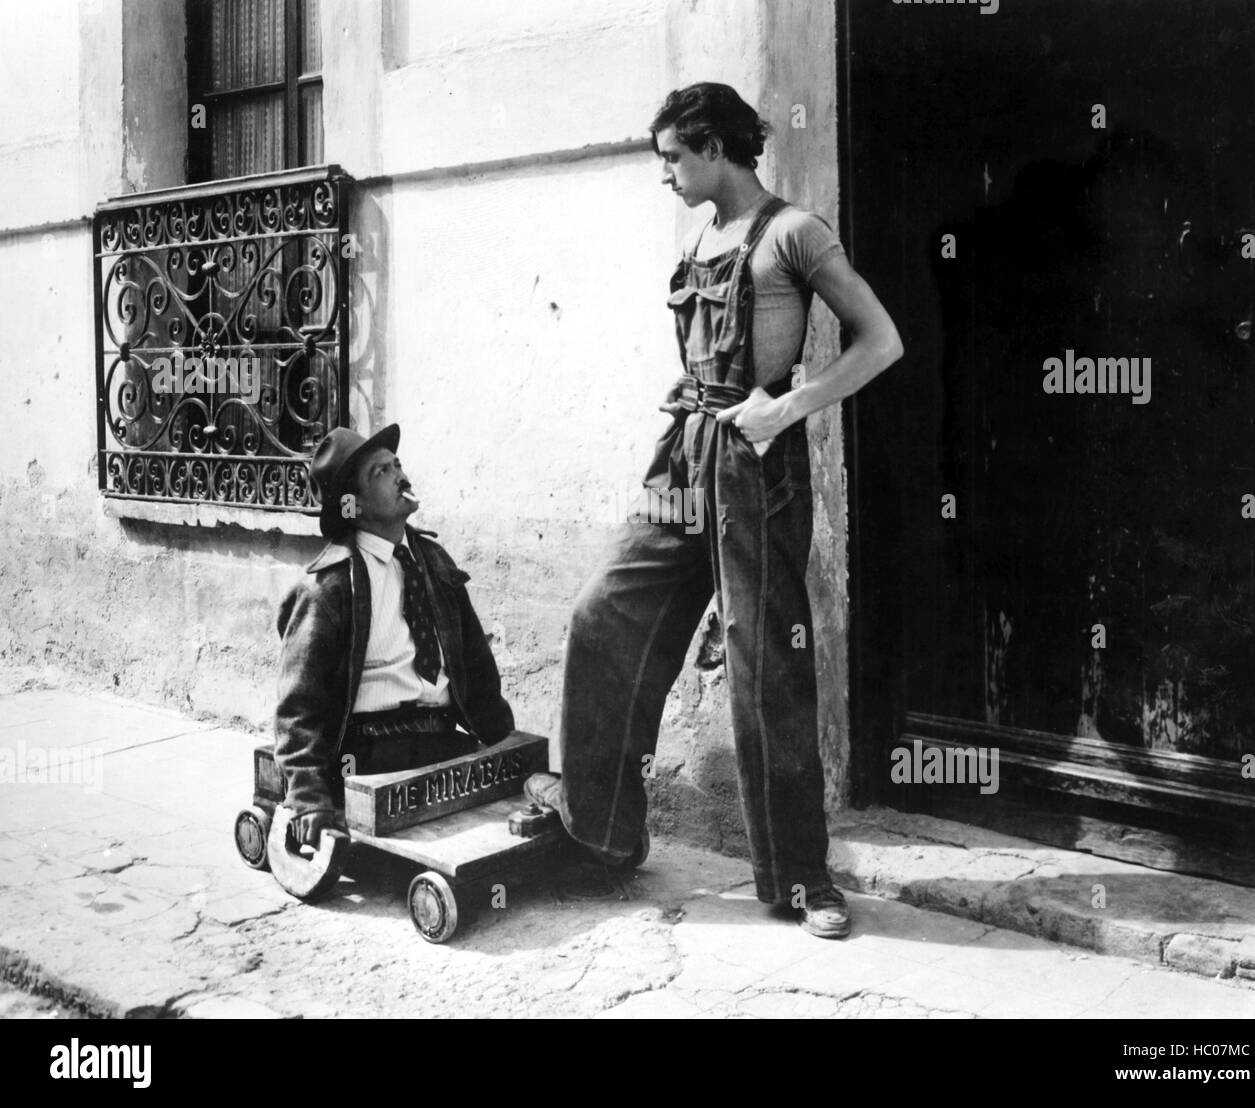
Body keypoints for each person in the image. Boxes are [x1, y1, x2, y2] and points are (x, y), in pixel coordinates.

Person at [525, 82, 904, 938]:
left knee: (764, 663)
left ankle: (805, 878)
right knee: (603, 614)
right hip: (685, 453)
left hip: (756, 461)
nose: (663, 173)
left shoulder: (794, 233)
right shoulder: (701, 236)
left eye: (671, 157)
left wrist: (790, 404)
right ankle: (601, 833)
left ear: (714, 148)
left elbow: (882, 340)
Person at [274, 423, 514, 849]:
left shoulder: (434, 561)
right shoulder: (329, 588)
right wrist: (309, 798)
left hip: (440, 744)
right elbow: (299, 704)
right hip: (366, 759)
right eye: (381, 473)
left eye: (397, 464)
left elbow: (475, 663)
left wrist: (504, 745)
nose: (401, 476)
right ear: (354, 506)